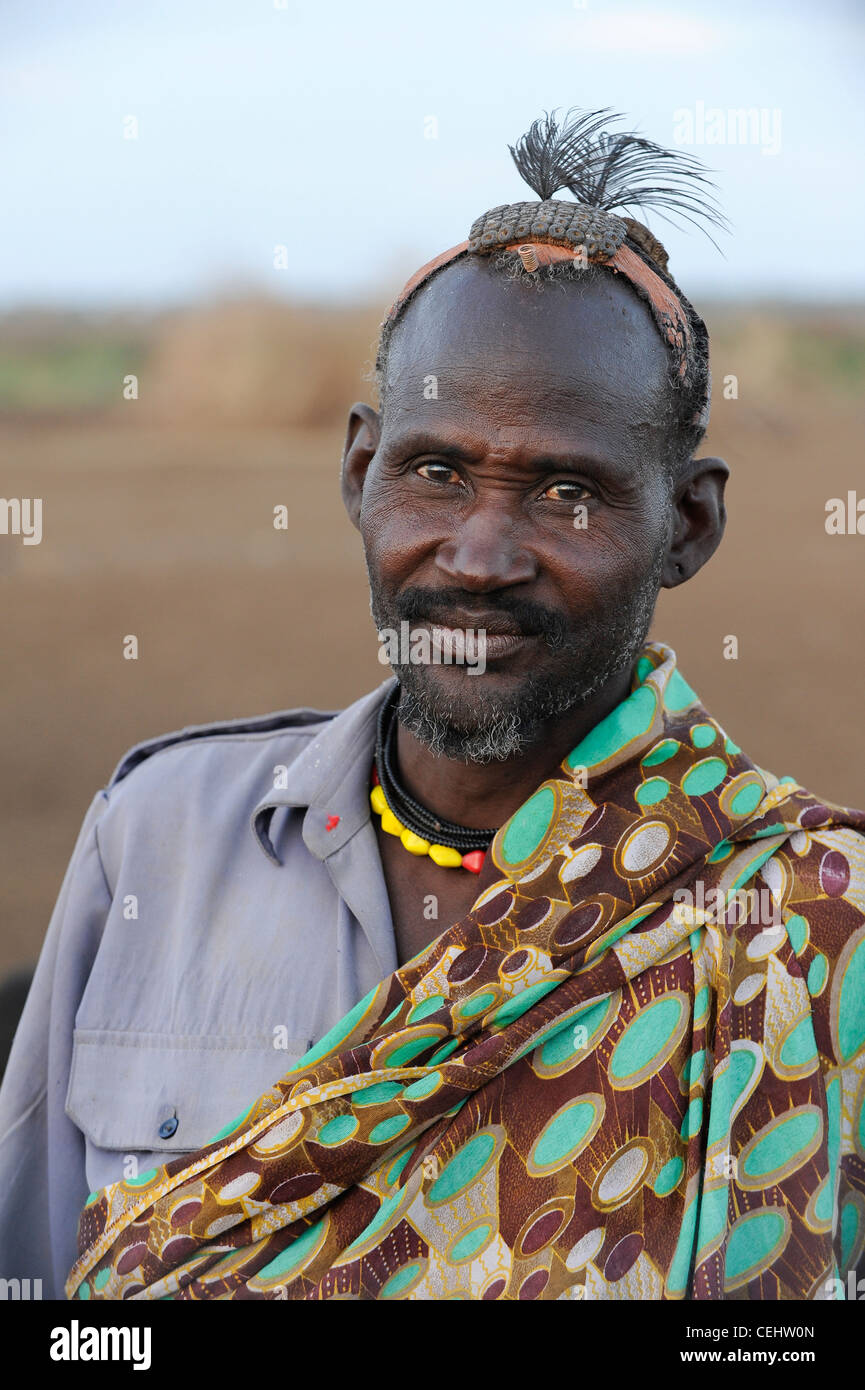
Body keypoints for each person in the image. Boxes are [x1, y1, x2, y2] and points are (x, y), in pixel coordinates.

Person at [2, 108, 863, 1302]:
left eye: (568, 491)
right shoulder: (156, 837)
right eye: (437, 472)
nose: (478, 552)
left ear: (689, 525)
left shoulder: (809, 928)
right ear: (361, 472)